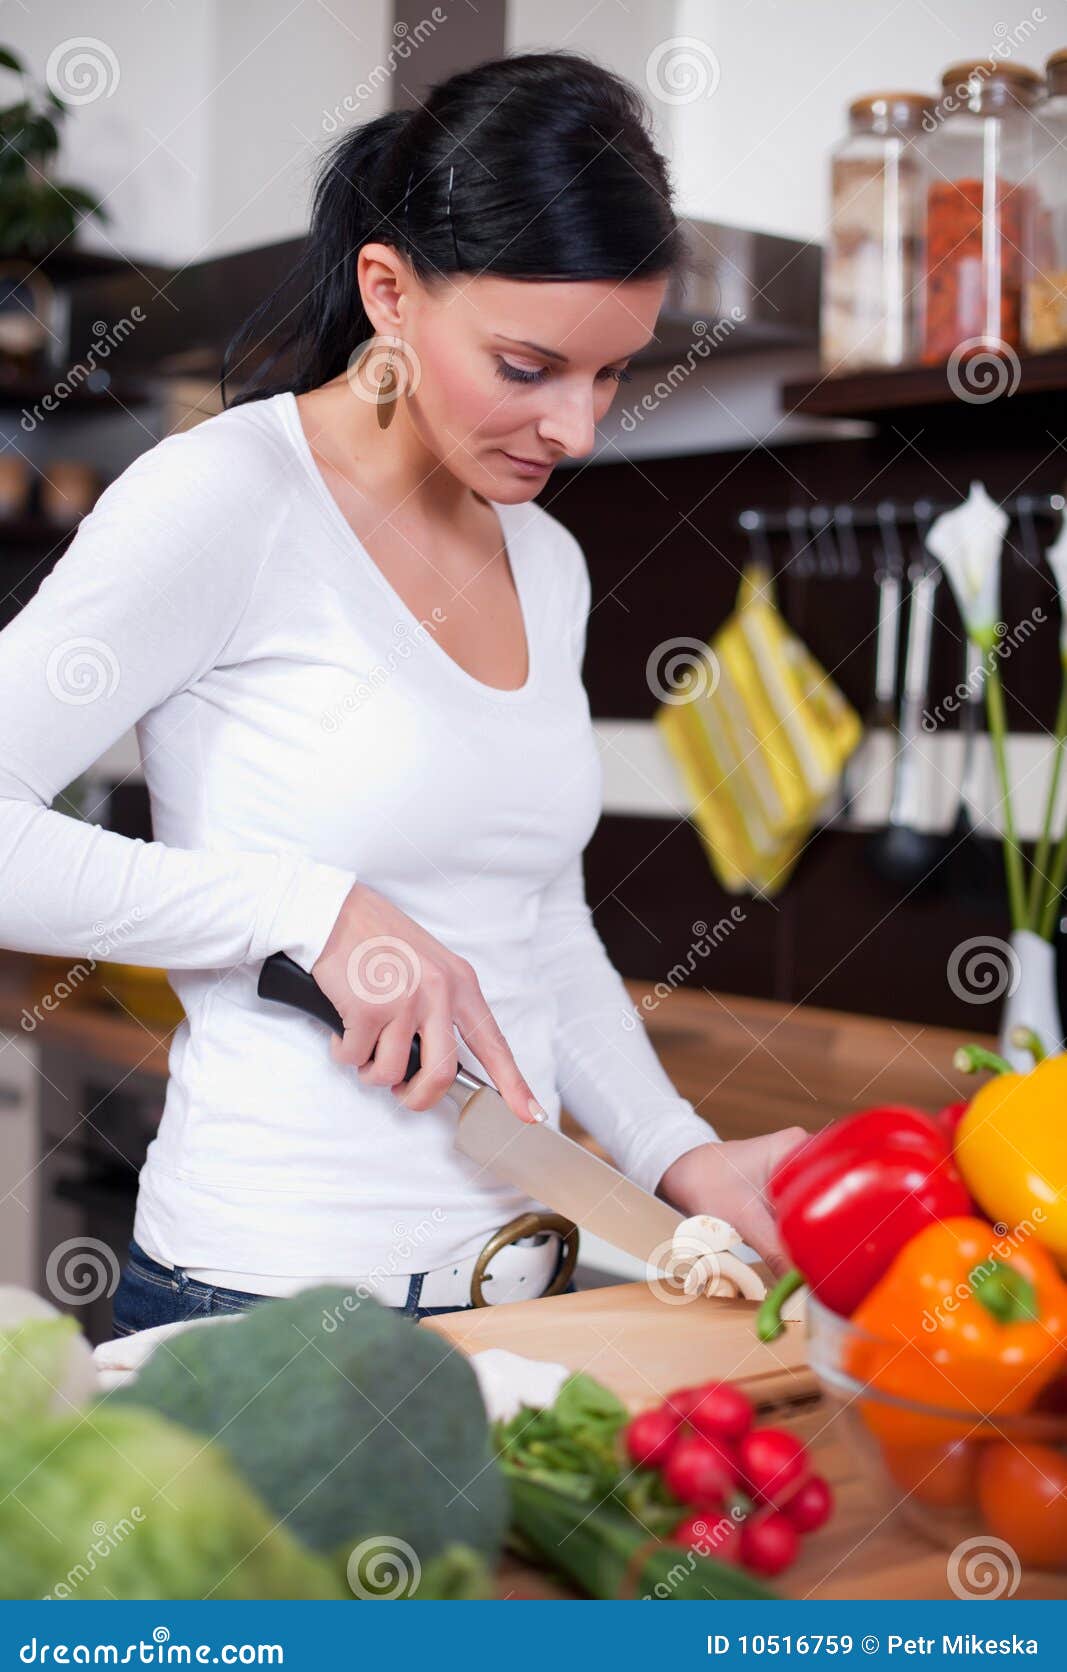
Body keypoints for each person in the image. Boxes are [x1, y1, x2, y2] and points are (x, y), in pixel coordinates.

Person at [0, 51, 806, 1336]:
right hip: (263, 1311)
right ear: (388, 291)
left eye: (610, 373)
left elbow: (536, 922)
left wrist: (675, 1155)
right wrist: (304, 906)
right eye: (528, 365)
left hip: (520, 1297)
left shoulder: (547, 559)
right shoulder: (226, 499)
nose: (578, 429)